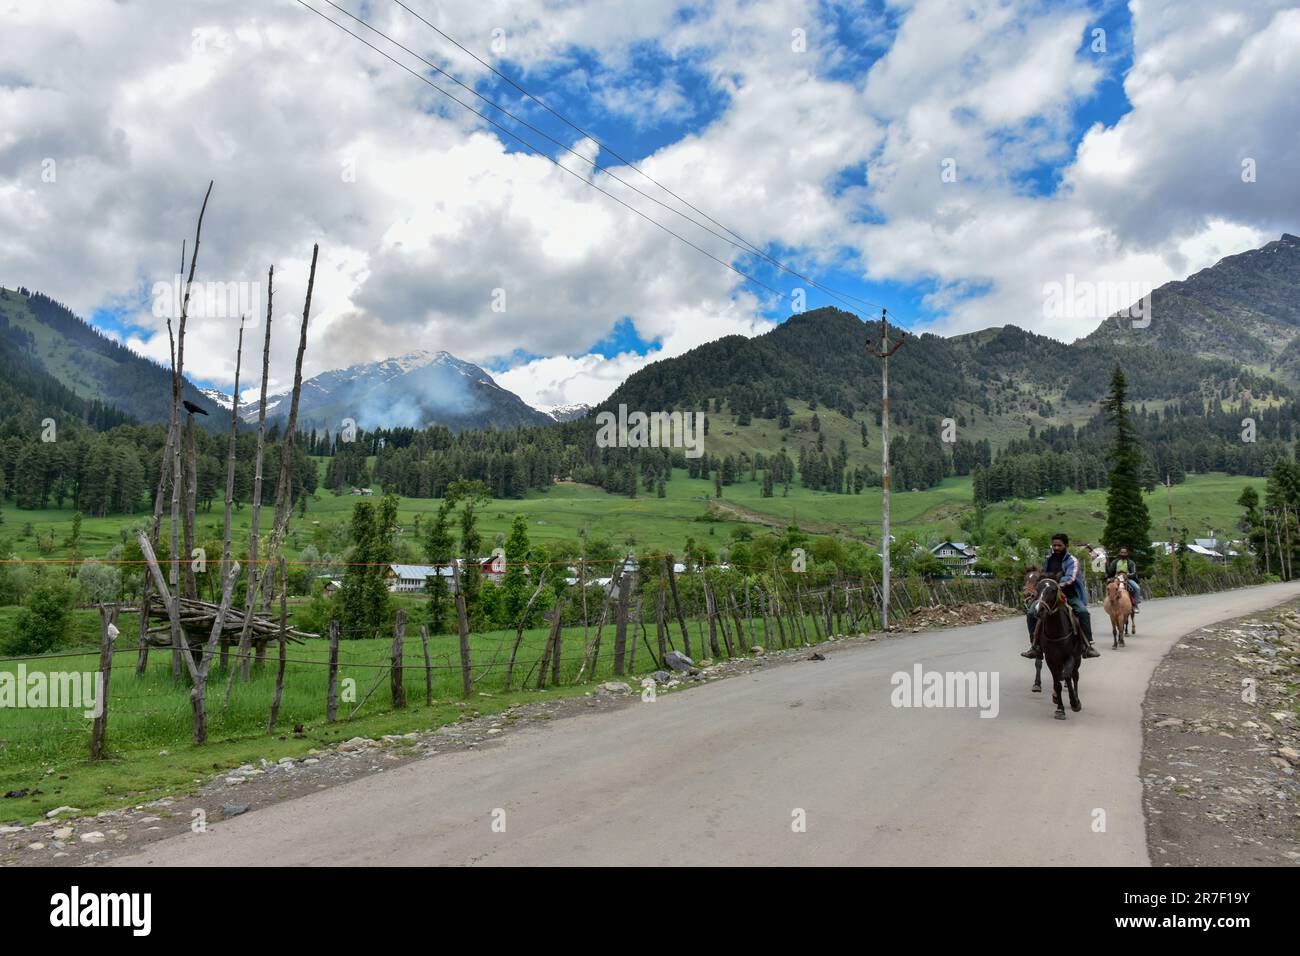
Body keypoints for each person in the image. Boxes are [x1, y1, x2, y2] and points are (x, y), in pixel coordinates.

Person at [1022, 533, 1101, 659]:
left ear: (1066, 546)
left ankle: (1087, 645)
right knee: (1032, 613)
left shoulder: (1072, 561)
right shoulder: (1048, 560)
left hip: (1068, 594)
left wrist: (1055, 583)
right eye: (1054, 545)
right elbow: (1043, 576)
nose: (1056, 548)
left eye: (1059, 545)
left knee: (1082, 612)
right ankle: (1035, 646)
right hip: (1050, 594)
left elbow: (1070, 578)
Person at [1105, 545, 1141, 613]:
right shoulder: (1115, 562)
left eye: (1124, 552)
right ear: (1119, 553)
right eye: (1122, 552)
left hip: (1127, 578)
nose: (1123, 554)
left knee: (1137, 588)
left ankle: (1135, 605)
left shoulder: (1131, 562)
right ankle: (1109, 604)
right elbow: (1110, 572)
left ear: (1127, 553)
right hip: (1116, 578)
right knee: (1110, 587)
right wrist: (1106, 566)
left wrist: (1127, 575)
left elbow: (1134, 573)